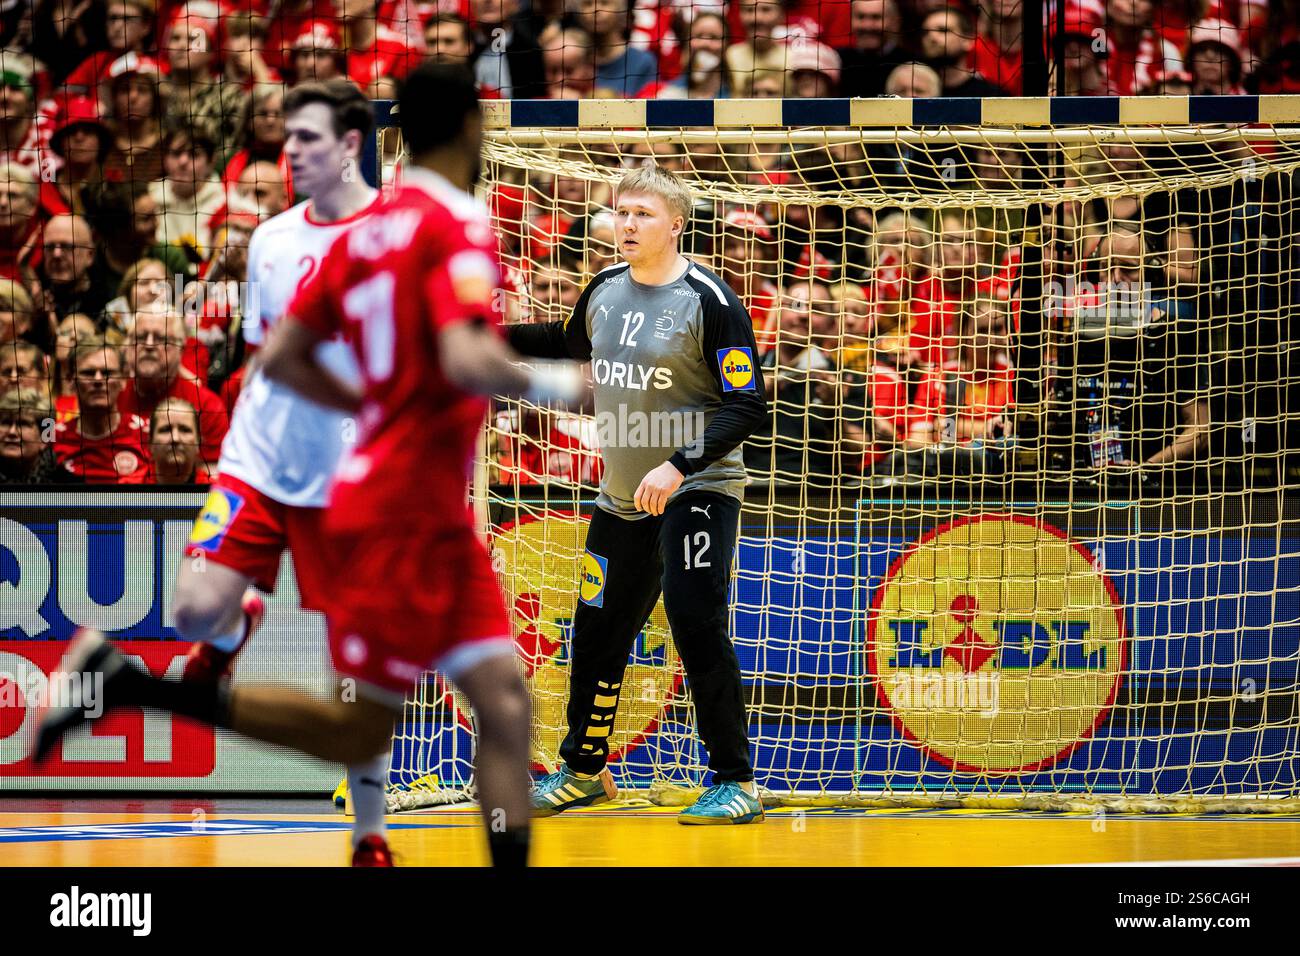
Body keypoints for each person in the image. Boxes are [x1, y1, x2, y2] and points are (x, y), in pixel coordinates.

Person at [34, 64, 583, 869]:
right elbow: (468, 356)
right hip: (394, 511)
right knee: (368, 726)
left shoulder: (364, 233)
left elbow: (282, 356)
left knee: (503, 703)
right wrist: (572, 384)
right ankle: (138, 685)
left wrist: (372, 402)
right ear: (475, 128)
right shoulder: (459, 219)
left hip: (404, 502)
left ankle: (141, 687)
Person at [506, 162, 769, 824]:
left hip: (697, 489)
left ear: (675, 224)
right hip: (621, 496)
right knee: (596, 631)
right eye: (621, 212)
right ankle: (583, 770)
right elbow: (567, 342)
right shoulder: (602, 290)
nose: (627, 224)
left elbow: (745, 406)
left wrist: (679, 466)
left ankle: (735, 781)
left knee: (692, 617)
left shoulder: (710, 300)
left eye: (643, 215)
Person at [167, 78, 381, 704]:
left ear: (349, 145)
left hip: (343, 474)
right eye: (287, 135)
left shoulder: (393, 240)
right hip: (258, 462)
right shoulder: (271, 238)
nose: (290, 149)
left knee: (349, 658)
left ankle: (361, 784)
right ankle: (230, 633)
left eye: (306, 137)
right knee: (192, 610)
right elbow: (264, 358)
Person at [52, 335, 150, 483]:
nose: (98, 380)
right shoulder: (53, 438)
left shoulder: (147, 434)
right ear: (70, 381)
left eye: (107, 373)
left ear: (123, 380)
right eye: (88, 373)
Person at [144, 395, 207, 484]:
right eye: (165, 429)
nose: (175, 438)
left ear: (198, 442)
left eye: (185, 430)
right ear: (150, 442)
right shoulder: (129, 490)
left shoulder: (217, 492)